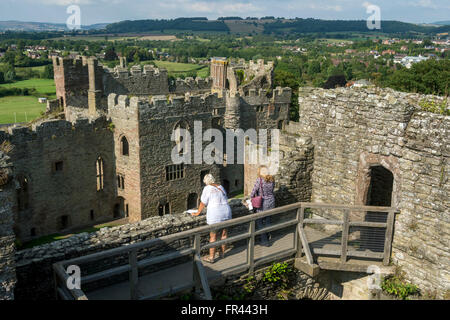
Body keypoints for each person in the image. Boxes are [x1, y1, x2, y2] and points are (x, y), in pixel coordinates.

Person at [191, 174, 232, 263]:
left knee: (213, 236)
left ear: (206, 182)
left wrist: (198, 212)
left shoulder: (207, 188)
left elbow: (203, 202)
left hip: (215, 214)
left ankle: (211, 257)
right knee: (224, 234)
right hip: (226, 211)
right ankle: (222, 254)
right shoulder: (220, 186)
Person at [250, 165, 275, 246]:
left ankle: (264, 241)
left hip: (262, 202)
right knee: (268, 220)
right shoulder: (272, 179)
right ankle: (268, 236)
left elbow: (254, 191)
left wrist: (250, 198)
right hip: (271, 201)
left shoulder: (259, 179)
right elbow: (272, 189)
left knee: (259, 221)